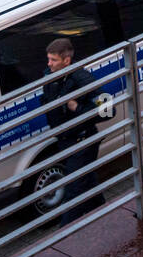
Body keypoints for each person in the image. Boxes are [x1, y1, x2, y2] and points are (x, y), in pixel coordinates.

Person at [42, 38, 103, 225]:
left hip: (82, 141)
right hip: (66, 140)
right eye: (48, 59)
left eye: (53, 60)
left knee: (74, 188)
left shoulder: (83, 80)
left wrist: (77, 108)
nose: (48, 64)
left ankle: (65, 233)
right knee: (87, 181)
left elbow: (109, 109)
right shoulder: (50, 76)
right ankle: (102, 211)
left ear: (66, 61)